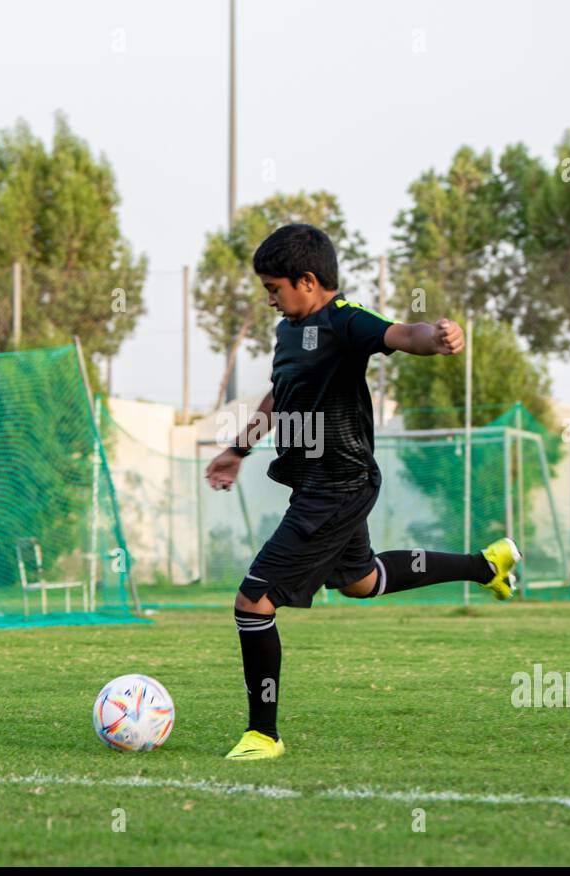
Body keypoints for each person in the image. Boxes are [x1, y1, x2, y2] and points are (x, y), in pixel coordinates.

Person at [204, 224, 519, 760]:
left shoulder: (345, 320)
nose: (271, 300)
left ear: (307, 281)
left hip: (339, 485)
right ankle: (486, 565)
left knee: (253, 600)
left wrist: (437, 339)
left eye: (274, 289)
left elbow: (401, 334)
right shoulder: (288, 333)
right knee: (360, 580)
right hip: (315, 485)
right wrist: (239, 449)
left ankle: (263, 735)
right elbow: (279, 398)